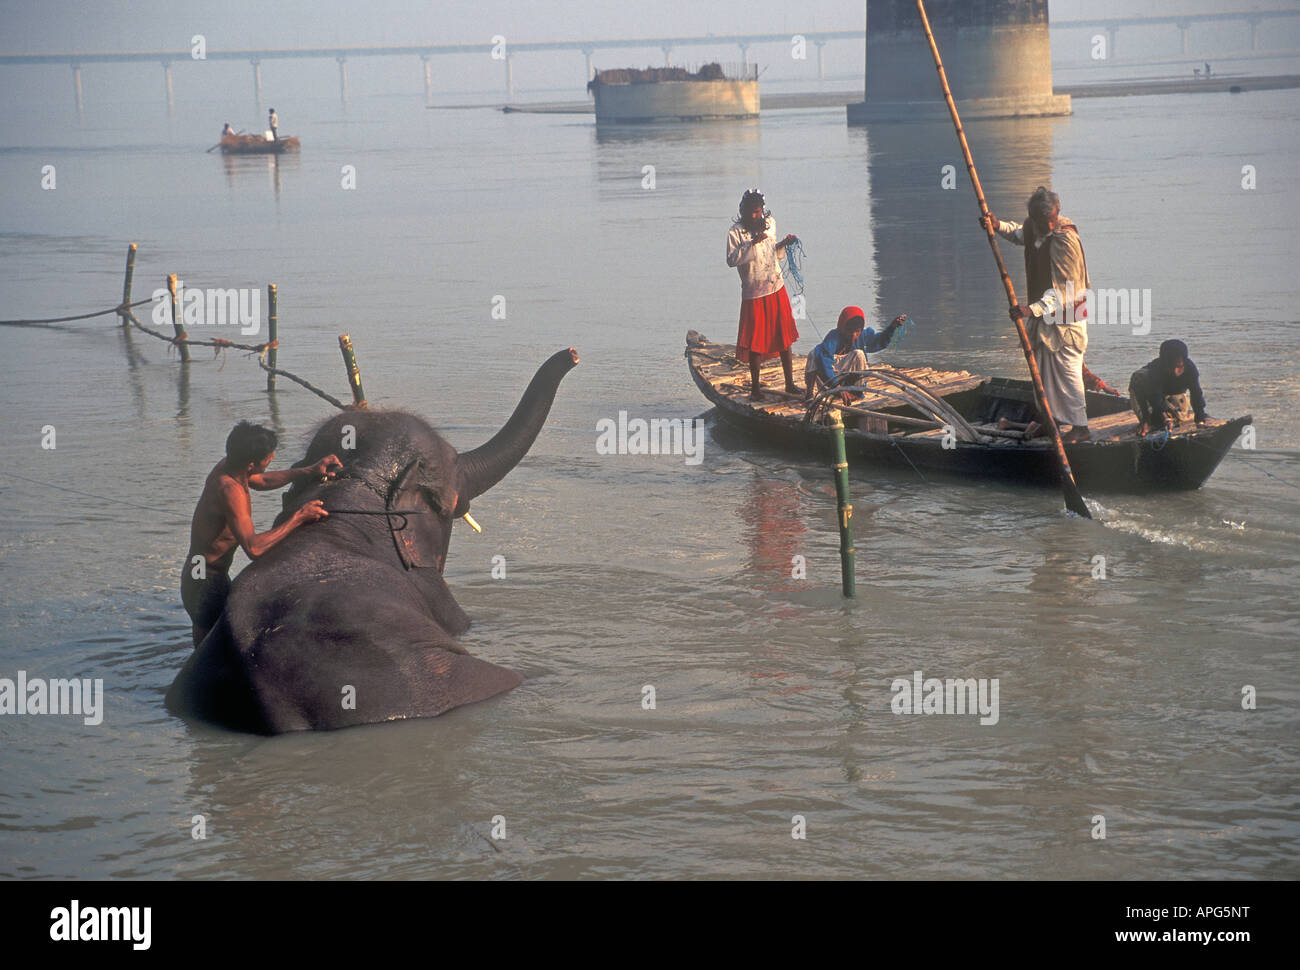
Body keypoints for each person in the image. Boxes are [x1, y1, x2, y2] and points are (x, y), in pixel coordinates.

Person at [182, 421, 341, 647]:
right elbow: (254, 548)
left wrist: (308, 470)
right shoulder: (230, 491)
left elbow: (262, 480)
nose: (273, 458)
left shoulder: (230, 466)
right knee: (213, 653)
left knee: (212, 649)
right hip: (206, 582)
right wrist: (299, 517)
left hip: (200, 574)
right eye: (268, 456)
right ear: (251, 464)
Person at [981, 186, 1092, 443]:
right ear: (1035, 217)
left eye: (1052, 218)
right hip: (1044, 318)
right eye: (1043, 221)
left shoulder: (1066, 240)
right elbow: (1021, 235)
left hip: (1067, 320)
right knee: (1044, 374)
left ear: (1057, 214)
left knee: (1068, 372)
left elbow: (1064, 292)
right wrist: (997, 226)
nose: (1049, 224)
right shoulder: (1034, 226)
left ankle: (1080, 427)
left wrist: (1030, 310)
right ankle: (1050, 422)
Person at [726, 188, 800, 401]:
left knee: (784, 337)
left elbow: (773, 253)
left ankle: (790, 384)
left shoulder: (771, 224)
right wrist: (751, 244)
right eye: (750, 212)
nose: (754, 216)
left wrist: (783, 245)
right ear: (743, 211)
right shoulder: (736, 232)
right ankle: (755, 389)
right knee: (755, 343)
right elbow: (732, 260)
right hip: (754, 293)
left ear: (762, 211)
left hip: (776, 286)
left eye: (757, 212)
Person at [806, 306, 908, 403]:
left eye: (857, 331)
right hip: (830, 378)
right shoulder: (833, 337)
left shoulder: (863, 335)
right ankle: (809, 394)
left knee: (859, 354)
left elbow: (879, 341)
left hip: (846, 377)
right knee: (814, 353)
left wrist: (892, 327)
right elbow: (824, 360)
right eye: (850, 331)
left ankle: (857, 392)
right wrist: (837, 387)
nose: (854, 335)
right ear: (842, 328)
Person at [1128, 339, 1208, 436]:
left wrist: (1200, 421)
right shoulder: (1155, 369)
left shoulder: (1190, 368)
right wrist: (1165, 418)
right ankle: (1147, 420)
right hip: (1148, 395)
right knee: (1139, 376)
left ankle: (1163, 418)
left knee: (1176, 420)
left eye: (1179, 367)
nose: (1175, 371)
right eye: (1172, 366)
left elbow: (1196, 394)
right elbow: (1155, 397)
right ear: (1165, 363)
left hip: (1173, 395)